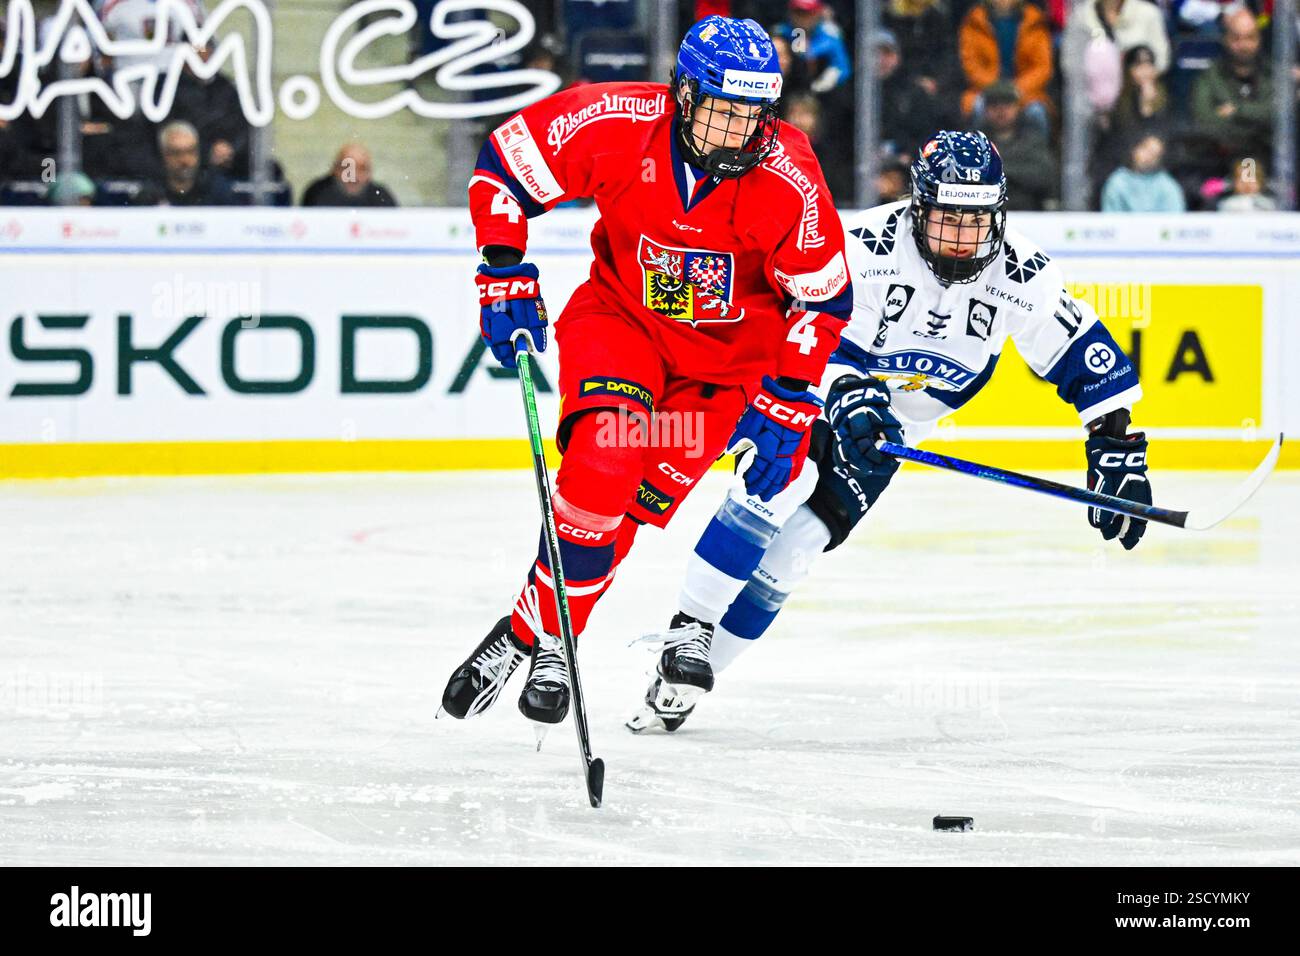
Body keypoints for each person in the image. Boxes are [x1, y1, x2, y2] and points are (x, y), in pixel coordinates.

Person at [627, 130, 1152, 733]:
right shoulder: (864, 247)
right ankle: (689, 629)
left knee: (799, 548)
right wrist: (847, 394)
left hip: (897, 424)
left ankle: (684, 685)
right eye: (948, 219)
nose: (962, 238)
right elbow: (809, 333)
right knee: (779, 483)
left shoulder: (1023, 274)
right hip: (812, 391)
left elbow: (1084, 354)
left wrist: (1117, 448)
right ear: (917, 206)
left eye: (978, 220)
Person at [439, 16, 853, 727]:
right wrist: (502, 267)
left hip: (724, 373)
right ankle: (557, 647)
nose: (740, 130)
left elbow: (823, 299)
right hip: (621, 327)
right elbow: (506, 164)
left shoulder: (788, 175)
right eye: (724, 109)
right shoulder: (616, 118)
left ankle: (528, 632)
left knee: (622, 509)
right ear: (684, 94)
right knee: (603, 467)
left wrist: (788, 395)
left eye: (755, 113)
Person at [1189, 7, 1275, 168]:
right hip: (1221, 160)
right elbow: (1204, 121)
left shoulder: (1274, 74)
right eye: (1236, 38)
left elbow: (1279, 114)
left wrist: (1236, 110)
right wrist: (1256, 122)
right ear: (1226, 39)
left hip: (1270, 161)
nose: (1243, 45)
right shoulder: (1210, 76)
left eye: (1250, 38)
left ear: (1259, 39)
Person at [958, 0, 1053, 131]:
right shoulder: (974, 20)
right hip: (985, 91)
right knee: (976, 108)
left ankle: (1036, 151)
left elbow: (1042, 67)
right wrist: (996, 89)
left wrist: (1016, 89)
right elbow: (970, 65)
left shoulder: (1034, 20)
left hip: (1024, 93)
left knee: (1037, 113)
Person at [979, 79, 1056, 210]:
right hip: (985, 210)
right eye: (994, 106)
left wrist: (998, 171)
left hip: (1027, 211)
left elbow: (1044, 175)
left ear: (1017, 108)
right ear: (985, 110)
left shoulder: (1032, 140)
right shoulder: (976, 142)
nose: (1001, 111)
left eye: (1007, 105)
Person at [1100, 131, 1186, 212]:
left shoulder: (1167, 186)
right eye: (1146, 149)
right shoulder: (1118, 182)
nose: (1149, 157)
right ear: (1134, 149)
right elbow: (1111, 218)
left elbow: (1174, 220)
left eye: (1155, 154)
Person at [300, 144, 398, 207]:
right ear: (335, 169)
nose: (353, 175)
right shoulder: (318, 193)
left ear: (370, 172)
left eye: (361, 168)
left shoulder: (381, 197)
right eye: (347, 167)